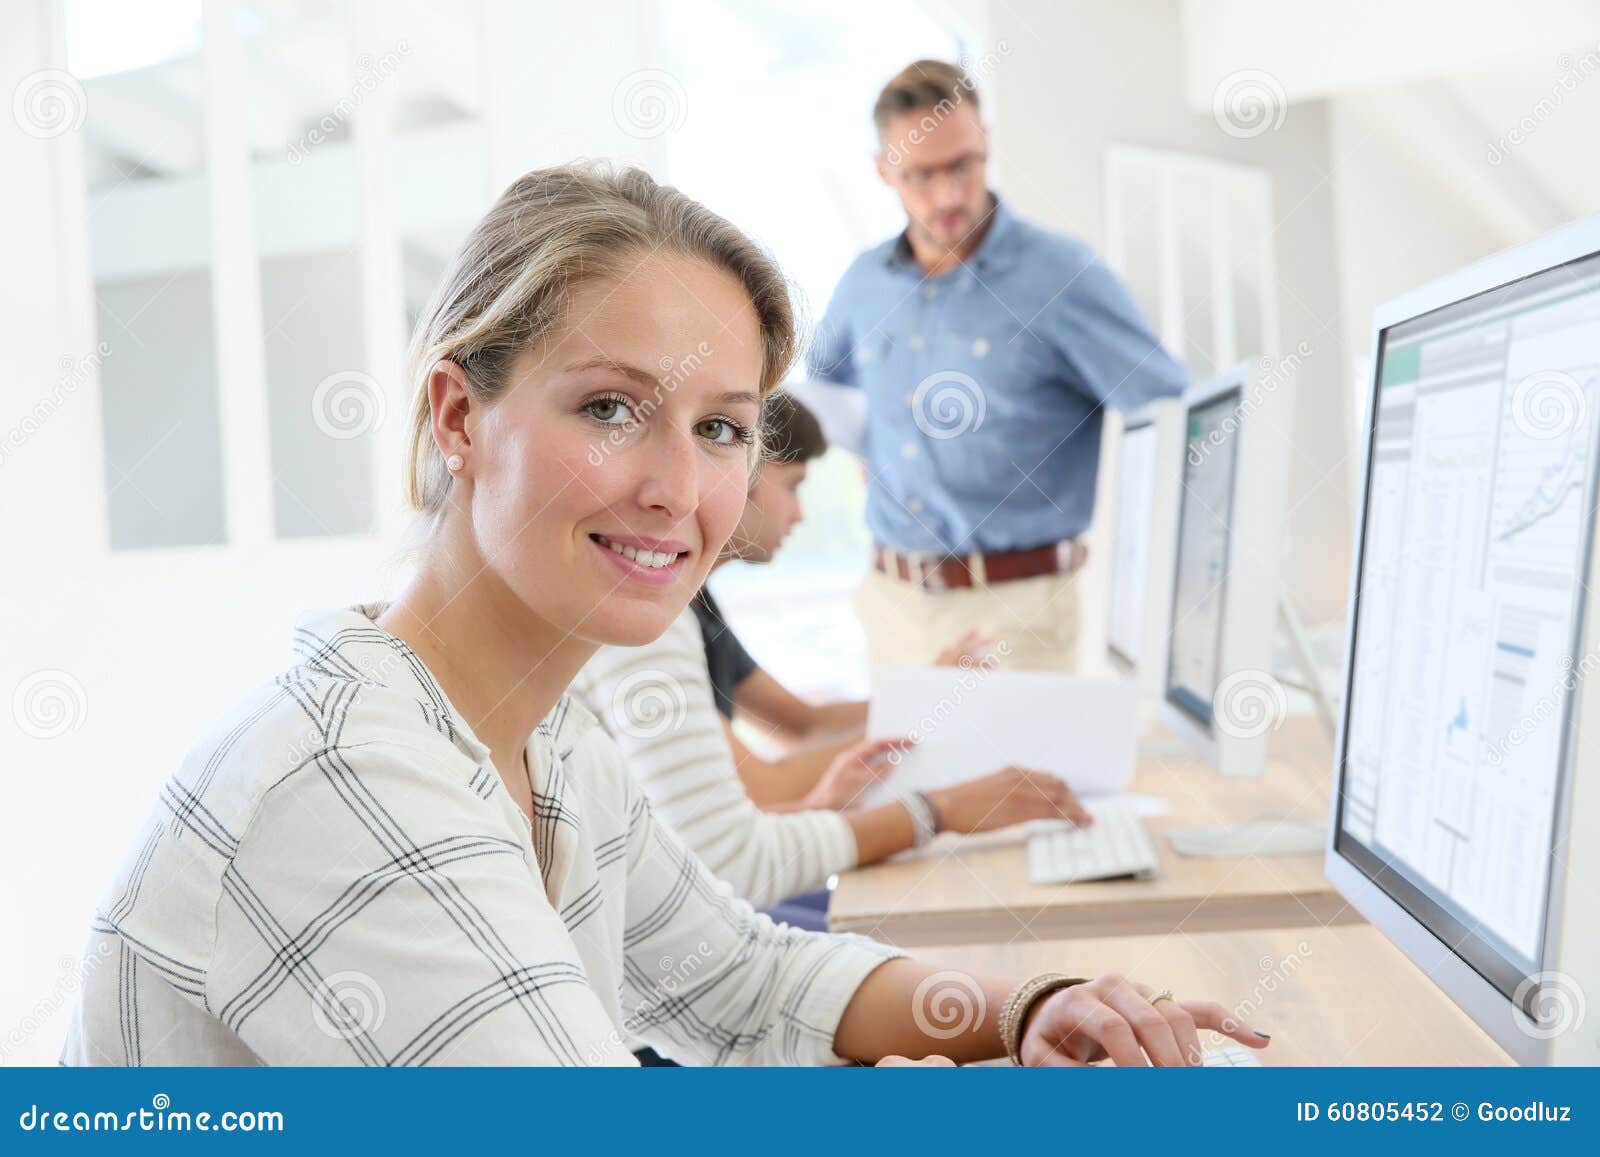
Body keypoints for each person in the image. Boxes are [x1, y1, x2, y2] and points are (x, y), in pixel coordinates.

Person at [64, 163, 1267, 1067]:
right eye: (607, 407)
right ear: (457, 417)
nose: (678, 488)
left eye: (722, 428)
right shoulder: (347, 782)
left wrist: (1023, 1010)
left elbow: (738, 976)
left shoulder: (551, 733)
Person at [807, 59, 1187, 673]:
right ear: (883, 172)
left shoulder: (1063, 276)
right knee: (900, 774)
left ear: (986, 142)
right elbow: (821, 397)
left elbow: (1170, 414)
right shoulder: (862, 285)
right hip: (892, 606)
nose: (949, 194)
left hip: (1016, 617)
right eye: (921, 175)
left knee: (1024, 777)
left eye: (963, 165)